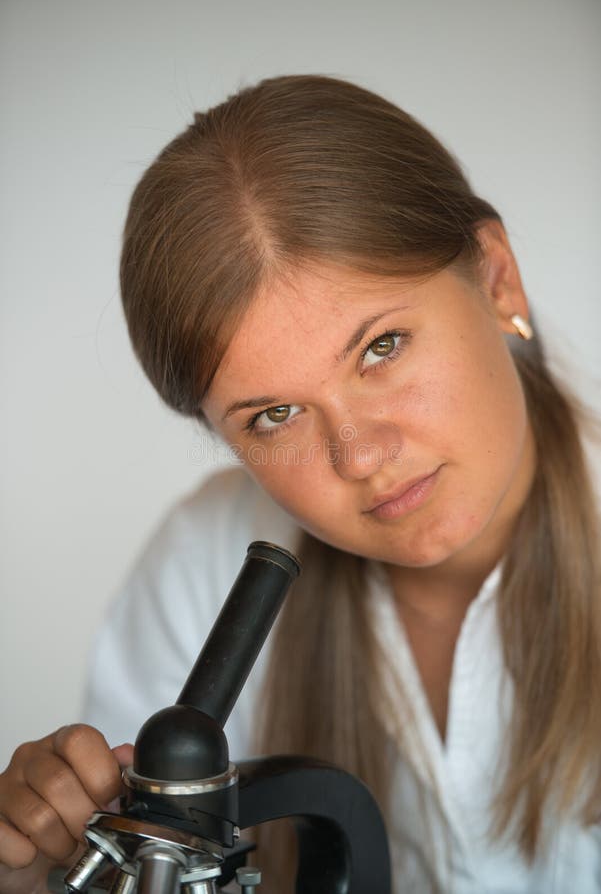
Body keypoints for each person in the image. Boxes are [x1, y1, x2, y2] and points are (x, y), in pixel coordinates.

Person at [1, 73, 600, 894]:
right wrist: (35, 876)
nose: (357, 455)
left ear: (496, 278)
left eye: (381, 347)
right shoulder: (202, 564)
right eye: (274, 414)